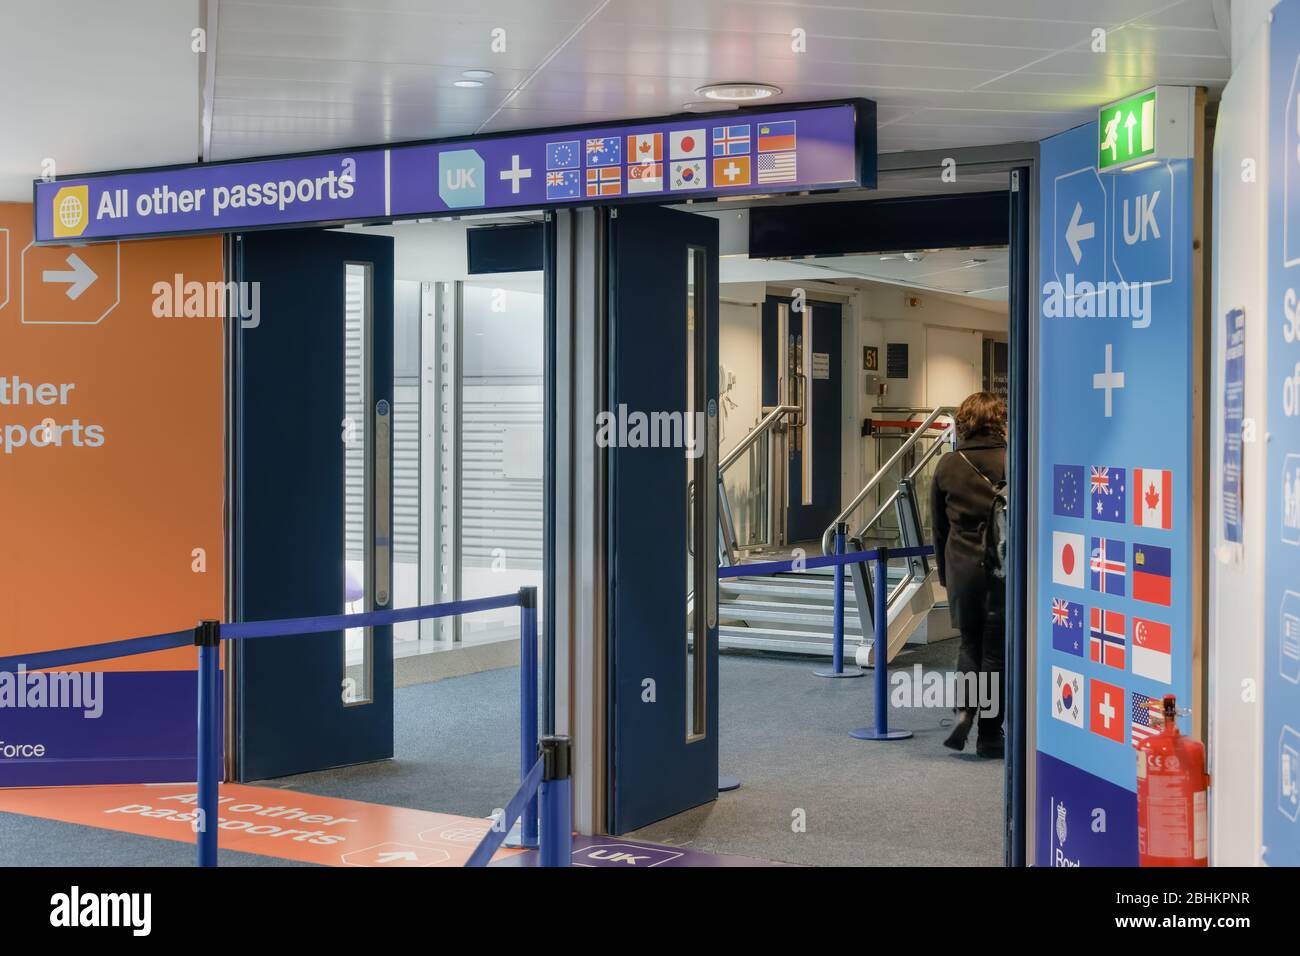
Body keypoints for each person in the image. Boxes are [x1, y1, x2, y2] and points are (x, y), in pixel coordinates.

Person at [929, 391, 1007, 758]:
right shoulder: (1011, 460)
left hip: (961, 568)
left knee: (969, 644)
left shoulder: (948, 465)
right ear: (998, 420)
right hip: (1000, 569)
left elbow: (938, 528)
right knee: (994, 651)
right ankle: (989, 735)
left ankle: (964, 710)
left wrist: (946, 575)